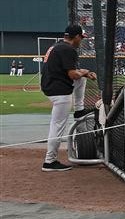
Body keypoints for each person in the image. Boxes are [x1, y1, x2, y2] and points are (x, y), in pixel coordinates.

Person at [40, 24, 97, 172]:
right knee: (57, 126)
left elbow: (74, 75)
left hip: (50, 85)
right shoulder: (68, 49)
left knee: (82, 78)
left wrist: (83, 74)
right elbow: (72, 74)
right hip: (59, 91)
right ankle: (49, 161)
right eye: (81, 38)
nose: (82, 41)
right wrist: (84, 71)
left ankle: (79, 110)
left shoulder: (57, 46)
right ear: (76, 37)